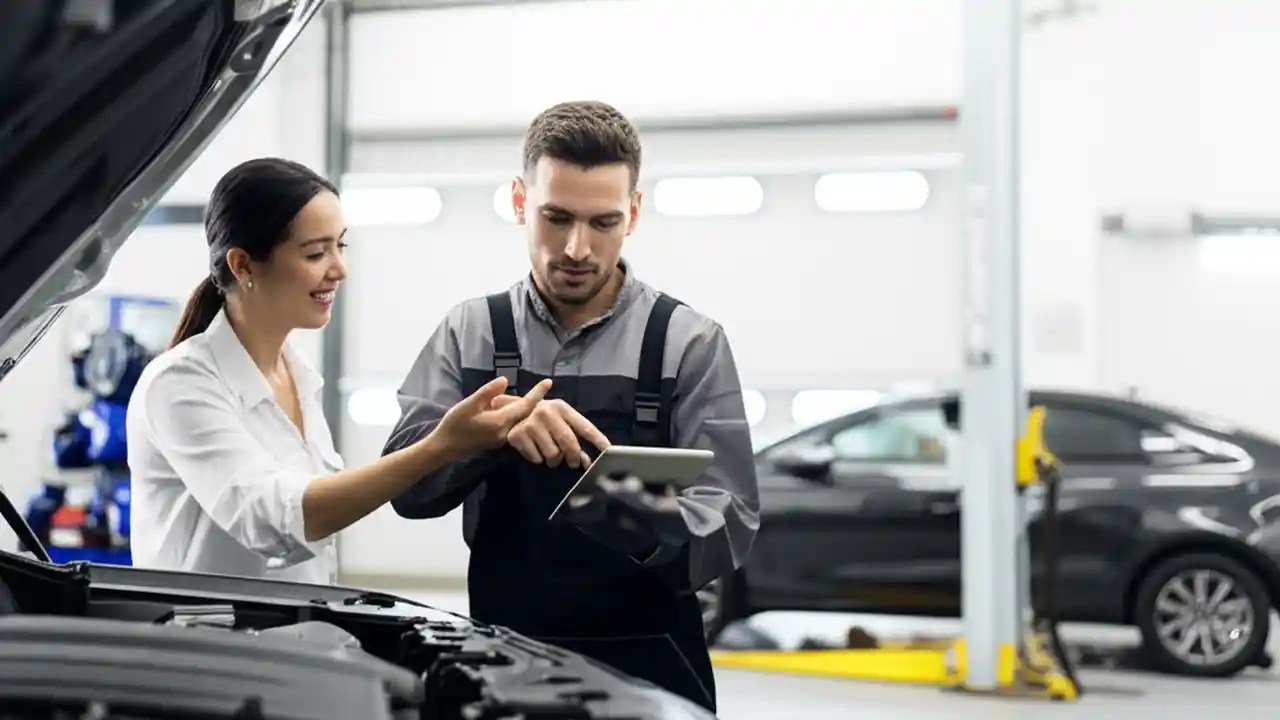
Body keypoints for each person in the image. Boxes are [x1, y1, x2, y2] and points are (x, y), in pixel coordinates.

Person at [383, 101, 760, 712]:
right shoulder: (471, 332)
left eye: (603, 222)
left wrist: (628, 506)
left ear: (633, 213)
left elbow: (731, 518)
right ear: (517, 201)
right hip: (502, 660)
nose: (578, 248)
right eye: (555, 218)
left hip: (653, 667)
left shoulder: (687, 343)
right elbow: (404, 485)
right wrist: (489, 436)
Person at [127, 157, 550, 585]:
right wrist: (440, 446)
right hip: (202, 645)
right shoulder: (179, 384)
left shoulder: (298, 375)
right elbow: (273, 520)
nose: (339, 269)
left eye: (340, 245)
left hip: (289, 641)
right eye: (315, 252)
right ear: (244, 266)